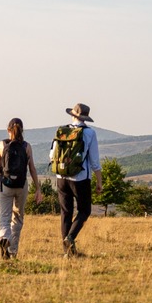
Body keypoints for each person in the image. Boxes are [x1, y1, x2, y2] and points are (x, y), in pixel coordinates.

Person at [50, 101, 101, 256]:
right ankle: (70, 237)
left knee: (66, 212)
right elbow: (94, 161)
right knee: (84, 210)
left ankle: (67, 252)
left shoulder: (61, 131)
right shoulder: (90, 133)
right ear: (85, 117)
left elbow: (52, 155)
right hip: (80, 178)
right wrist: (99, 181)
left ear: (73, 115)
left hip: (61, 177)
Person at [0, 117, 35, 260]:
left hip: (5, 185)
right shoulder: (26, 146)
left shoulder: (0, 145)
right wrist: (38, 189)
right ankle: (13, 250)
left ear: (8, 130)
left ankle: (4, 237)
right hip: (22, 186)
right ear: (22, 130)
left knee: (4, 217)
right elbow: (32, 168)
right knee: (17, 218)